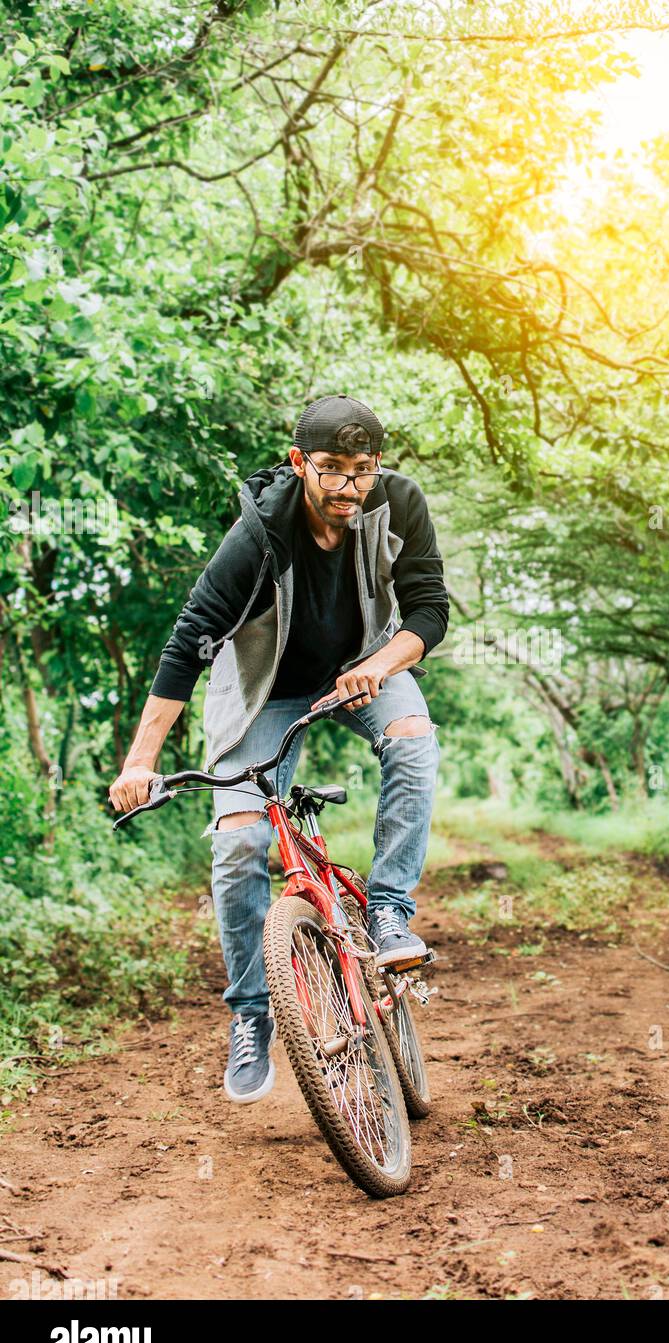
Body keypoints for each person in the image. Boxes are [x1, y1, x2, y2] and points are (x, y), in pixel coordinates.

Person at [109, 394, 448, 1102]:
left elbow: (427, 609)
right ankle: (251, 1013)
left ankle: (388, 910)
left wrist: (381, 667)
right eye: (331, 469)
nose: (347, 487)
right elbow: (190, 641)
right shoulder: (260, 534)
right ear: (299, 464)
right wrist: (140, 760)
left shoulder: (399, 505)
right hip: (265, 693)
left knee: (413, 740)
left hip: (365, 670)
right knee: (237, 842)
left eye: (362, 469)